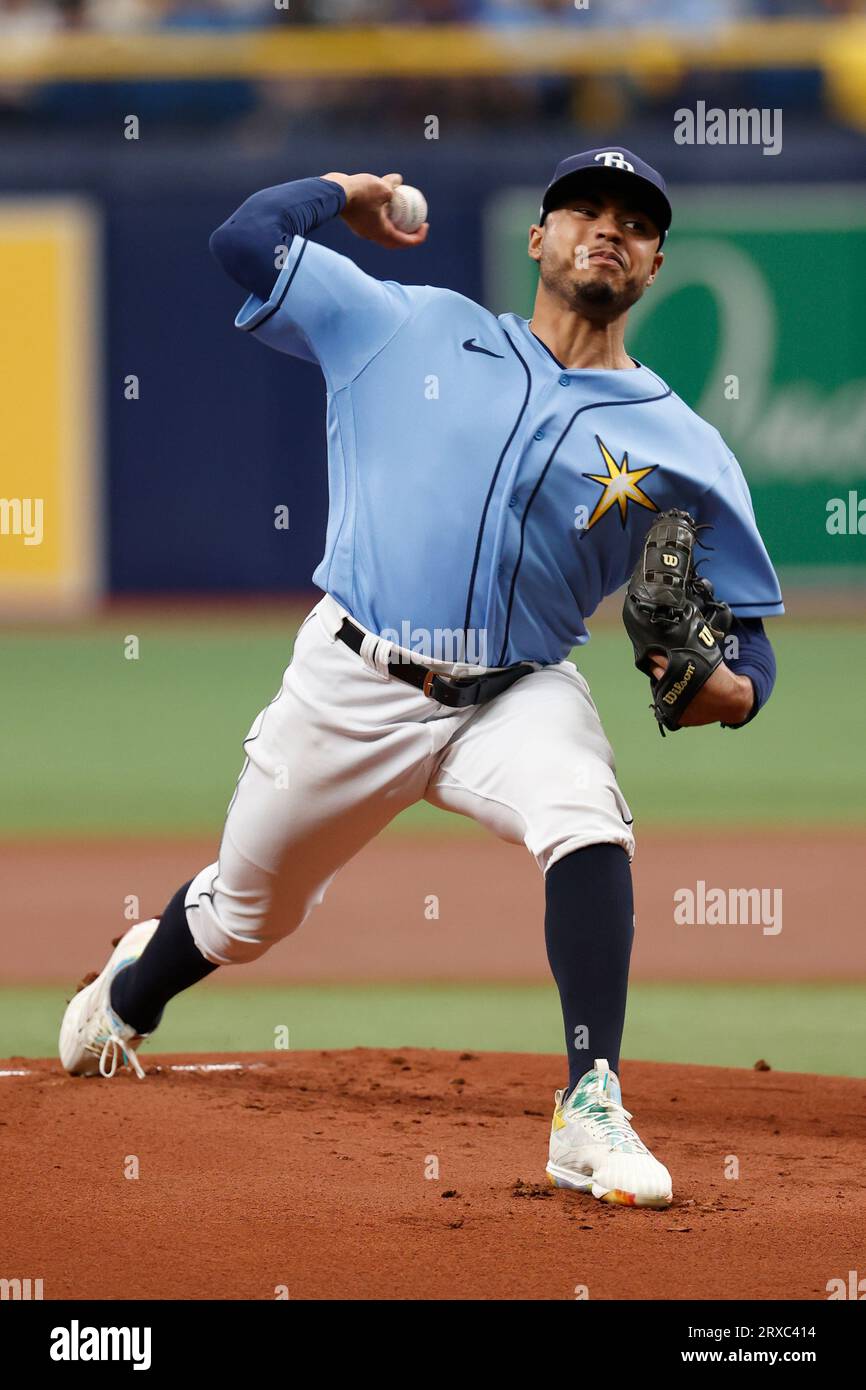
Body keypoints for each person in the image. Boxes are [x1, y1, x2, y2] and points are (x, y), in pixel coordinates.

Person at [60, 148, 781, 1209]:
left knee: (584, 813)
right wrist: (346, 193)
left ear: (655, 261)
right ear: (537, 240)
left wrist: (726, 690)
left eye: (633, 219)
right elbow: (242, 243)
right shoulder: (409, 326)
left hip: (516, 689)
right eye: (582, 206)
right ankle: (128, 990)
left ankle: (589, 1103)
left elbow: (751, 647)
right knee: (244, 917)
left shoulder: (683, 447)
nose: (607, 227)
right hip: (351, 682)